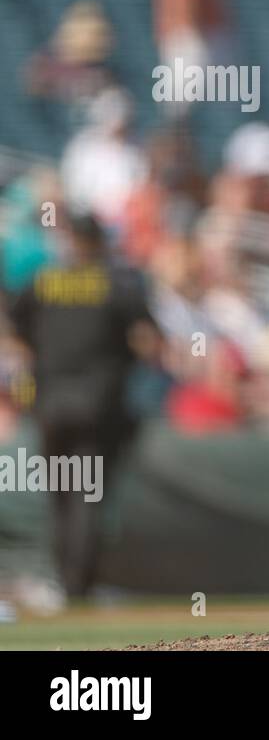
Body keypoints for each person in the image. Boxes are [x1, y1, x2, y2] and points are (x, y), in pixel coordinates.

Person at [7, 214, 157, 599]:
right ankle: (77, 586)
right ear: (99, 242)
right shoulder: (116, 283)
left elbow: (15, 329)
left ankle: (63, 580)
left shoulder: (43, 282)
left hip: (50, 404)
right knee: (87, 497)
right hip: (97, 407)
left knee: (60, 493)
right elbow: (147, 338)